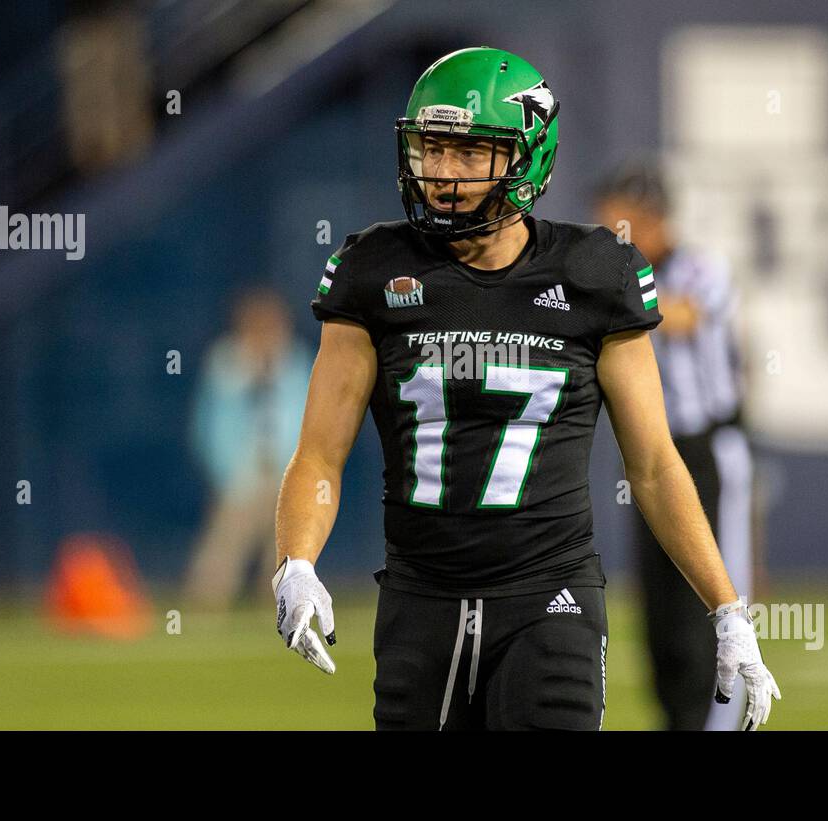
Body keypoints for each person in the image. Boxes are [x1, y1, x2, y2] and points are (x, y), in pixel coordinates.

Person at [271, 47, 779, 730]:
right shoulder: (374, 270)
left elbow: (655, 464)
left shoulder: (595, 272)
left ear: (525, 158)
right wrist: (296, 561)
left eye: (468, 151)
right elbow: (319, 456)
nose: (443, 172)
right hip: (421, 601)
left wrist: (726, 608)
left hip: (552, 600)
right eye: (431, 148)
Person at [593, 161, 755, 731]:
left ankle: (720, 724)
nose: (611, 228)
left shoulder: (699, 269)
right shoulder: (611, 277)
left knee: (715, 594)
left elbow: (681, 316)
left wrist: (598, 294)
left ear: (652, 218)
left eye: (625, 216)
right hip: (648, 455)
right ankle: (678, 721)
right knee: (659, 608)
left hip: (706, 447)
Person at [184, 288, 310, 609]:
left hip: (287, 470)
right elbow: (208, 425)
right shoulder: (226, 362)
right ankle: (201, 617)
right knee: (223, 551)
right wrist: (224, 471)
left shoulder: (295, 361)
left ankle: (282, 617)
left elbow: (309, 417)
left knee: (286, 553)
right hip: (242, 472)